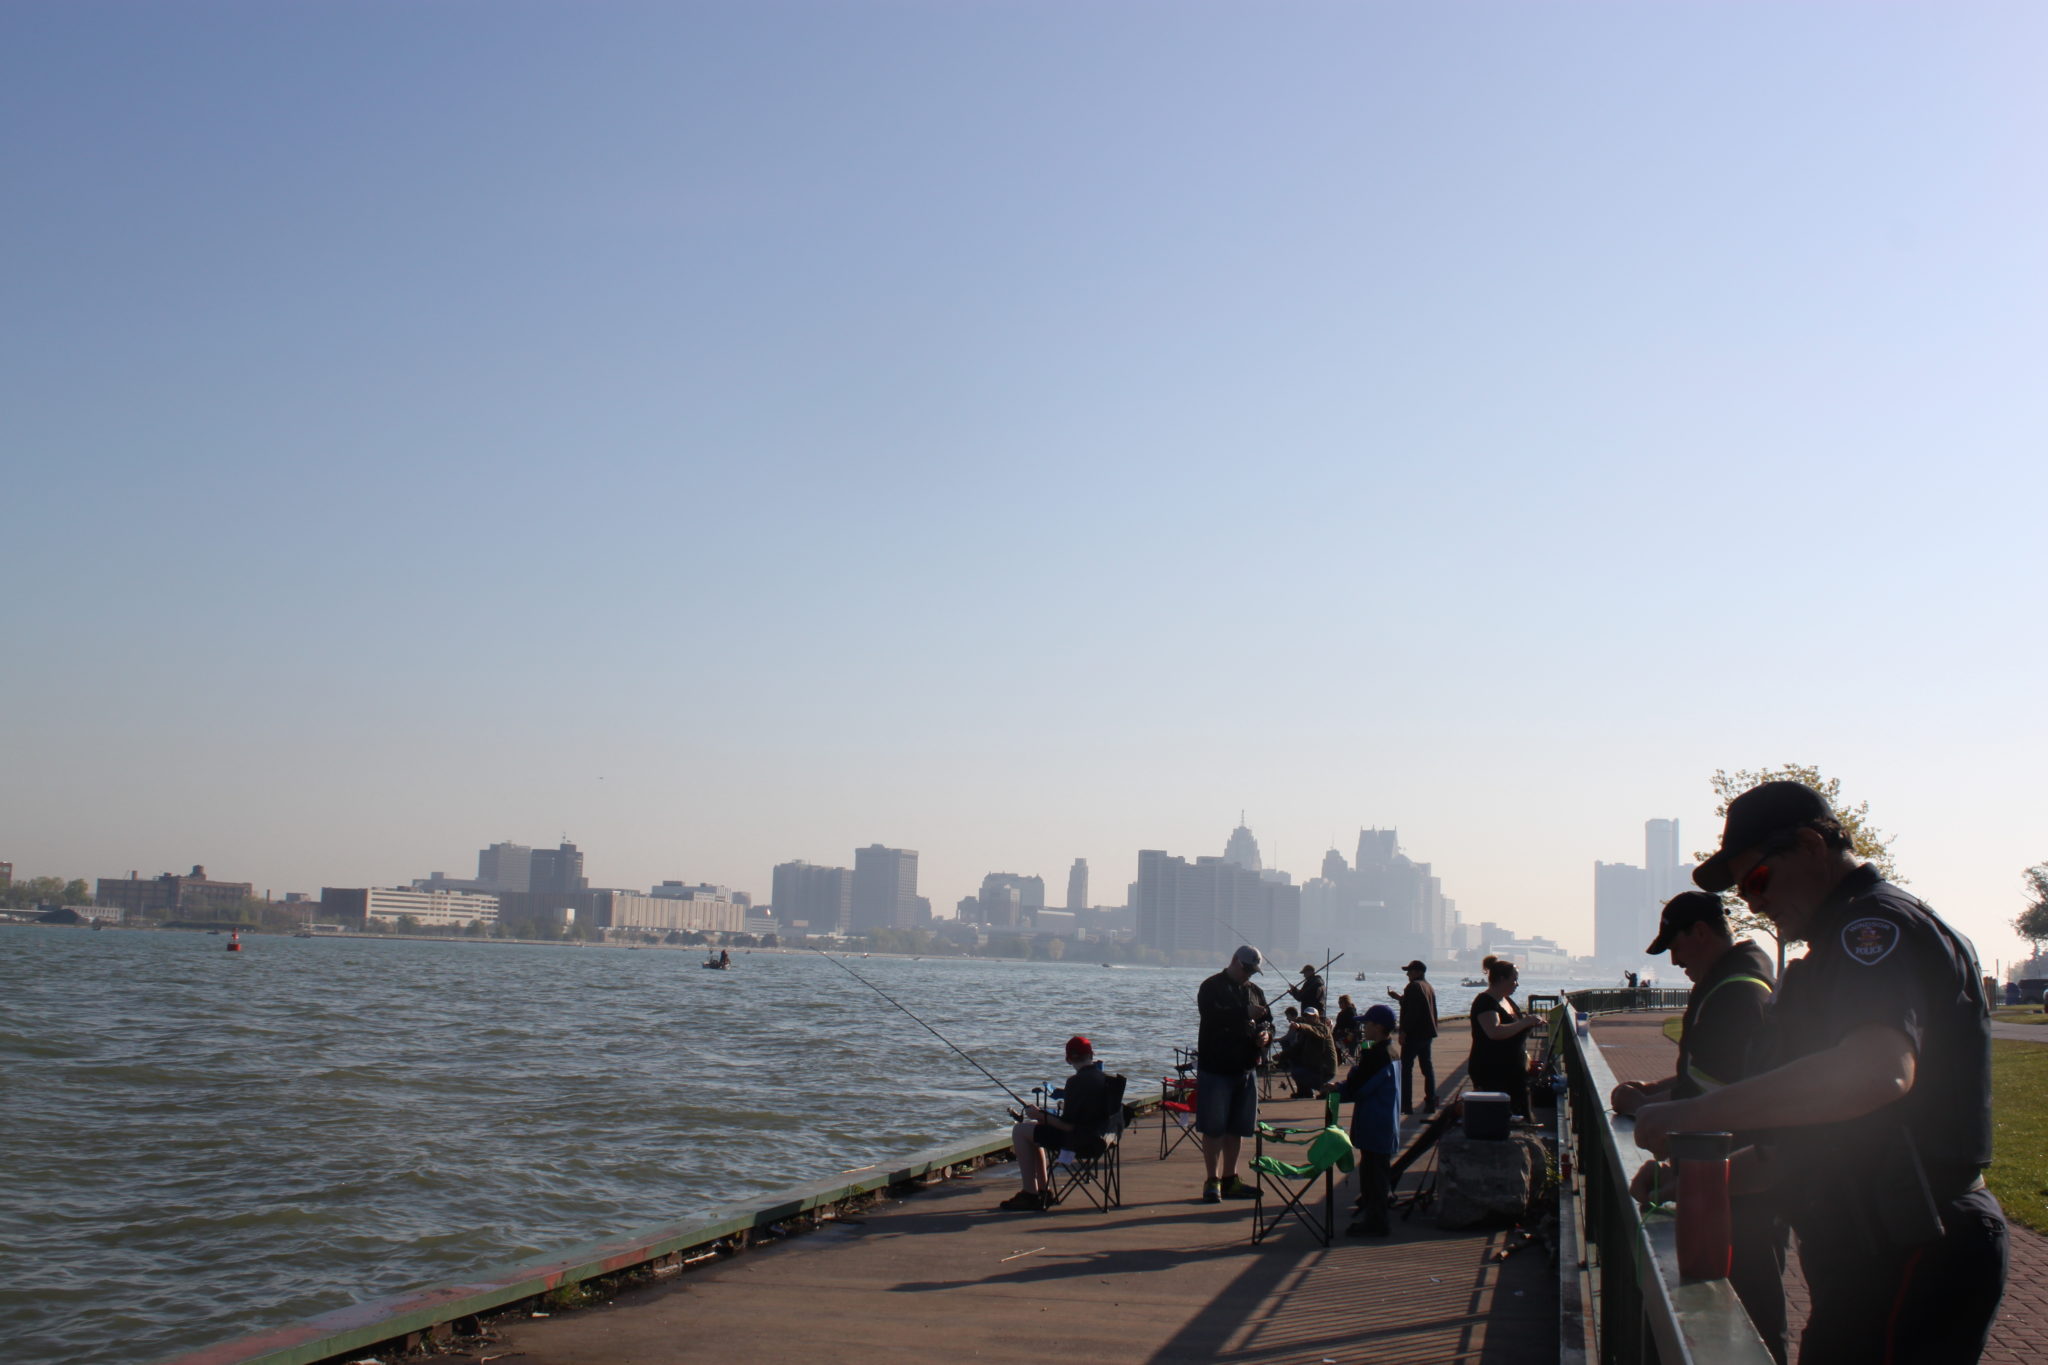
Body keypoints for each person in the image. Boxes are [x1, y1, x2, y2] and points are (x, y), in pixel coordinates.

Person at [1633, 782, 2007, 1364]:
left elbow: (1876, 1073)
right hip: (1880, 1239)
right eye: (1740, 892)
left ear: (1811, 845)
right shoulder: (1838, 947)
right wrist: (1700, 1181)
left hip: (1913, 1241)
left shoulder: (1874, 932)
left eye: (1756, 881)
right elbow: (1826, 1135)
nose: (1752, 905)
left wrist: (1691, 1114)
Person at [1612, 891, 1785, 1363]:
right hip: (1714, 1177)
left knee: (1748, 1316)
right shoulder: (1733, 980)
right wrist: (1651, 1094)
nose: (1675, 959)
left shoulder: (1737, 993)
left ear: (1701, 933)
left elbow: (1721, 1096)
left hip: (1738, 1185)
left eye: (1677, 945)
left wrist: (1653, 1110)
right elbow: (1705, 1078)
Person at [1195, 944, 1272, 1203]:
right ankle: (1212, 1180)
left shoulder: (1256, 992)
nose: (1248, 975)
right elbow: (1211, 1015)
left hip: (1245, 1068)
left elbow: (1267, 1021)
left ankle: (1231, 1178)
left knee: (1237, 1128)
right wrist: (1243, 1013)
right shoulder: (1211, 987)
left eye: (1253, 971)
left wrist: (1266, 1035)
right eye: (1246, 969)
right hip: (1216, 1068)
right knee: (1214, 1127)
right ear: (1234, 961)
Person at [1002, 1035, 1114, 1211]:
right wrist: (1042, 1116)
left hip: (1080, 1142)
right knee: (1033, 1129)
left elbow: (1067, 1126)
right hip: (1102, 1139)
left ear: (1069, 1059)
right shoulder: (1105, 1080)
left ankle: (1031, 1193)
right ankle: (1042, 1191)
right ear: (1091, 1054)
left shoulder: (1076, 1082)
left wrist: (1041, 1116)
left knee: (1020, 1131)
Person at [1336, 1003, 1402, 1237]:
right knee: (1378, 1172)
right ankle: (1376, 1215)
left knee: (1372, 1176)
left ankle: (1376, 1223)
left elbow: (1358, 1087)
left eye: (1367, 1024)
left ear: (1379, 1026)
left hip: (1375, 1121)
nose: (1364, 1028)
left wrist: (1336, 1088)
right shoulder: (1391, 1051)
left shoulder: (1377, 1056)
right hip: (1386, 1121)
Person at [1466, 959, 1542, 1117]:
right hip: (1493, 1071)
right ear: (1501, 979)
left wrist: (1528, 1024)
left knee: (1520, 1115)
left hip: (1514, 1072)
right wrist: (1525, 1023)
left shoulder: (1506, 1000)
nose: (1517, 984)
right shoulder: (1485, 1002)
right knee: (1498, 1117)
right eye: (1514, 979)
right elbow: (1494, 1032)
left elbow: (1514, 1030)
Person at [1387, 960, 1439, 1116]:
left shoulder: (1413, 986)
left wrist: (1403, 1031)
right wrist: (1399, 998)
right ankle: (1431, 1101)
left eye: (1410, 971)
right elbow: (1416, 1005)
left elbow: (1412, 1012)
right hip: (1427, 1033)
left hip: (1414, 1034)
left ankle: (1406, 1105)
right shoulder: (1427, 986)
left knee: (1406, 1069)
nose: (1407, 974)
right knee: (1427, 1068)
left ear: (1418, 972)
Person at [1287, 1007, 1338, 1098]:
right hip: (1313, 1066)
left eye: (1311, 1016)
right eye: (1306, 1016)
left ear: (1317, 1017)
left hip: (1325, 1068)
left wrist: (1300, 1026)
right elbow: (1297, 1047)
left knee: (1298, 1072)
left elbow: (1313, 1031)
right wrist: (1281, 1055)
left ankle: (1326, 1089)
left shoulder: (1323, 1028)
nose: (1308, 1019)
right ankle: (1305, 1092)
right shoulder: (1305, 1032)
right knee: (1294, 1063)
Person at [1332, 994, 1360, 1062]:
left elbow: (1354, 1027)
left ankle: (1339, 1061)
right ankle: (1339, 1061)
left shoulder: (1350, 1013)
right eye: (1339, 1002)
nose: (1339, 1004)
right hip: (1345, 1037)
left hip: (1349, 1038)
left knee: (1336, 1045)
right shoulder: (1344, 1013)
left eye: (1340, 1002)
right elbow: (1337, 1027)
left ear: (1346, 1003)